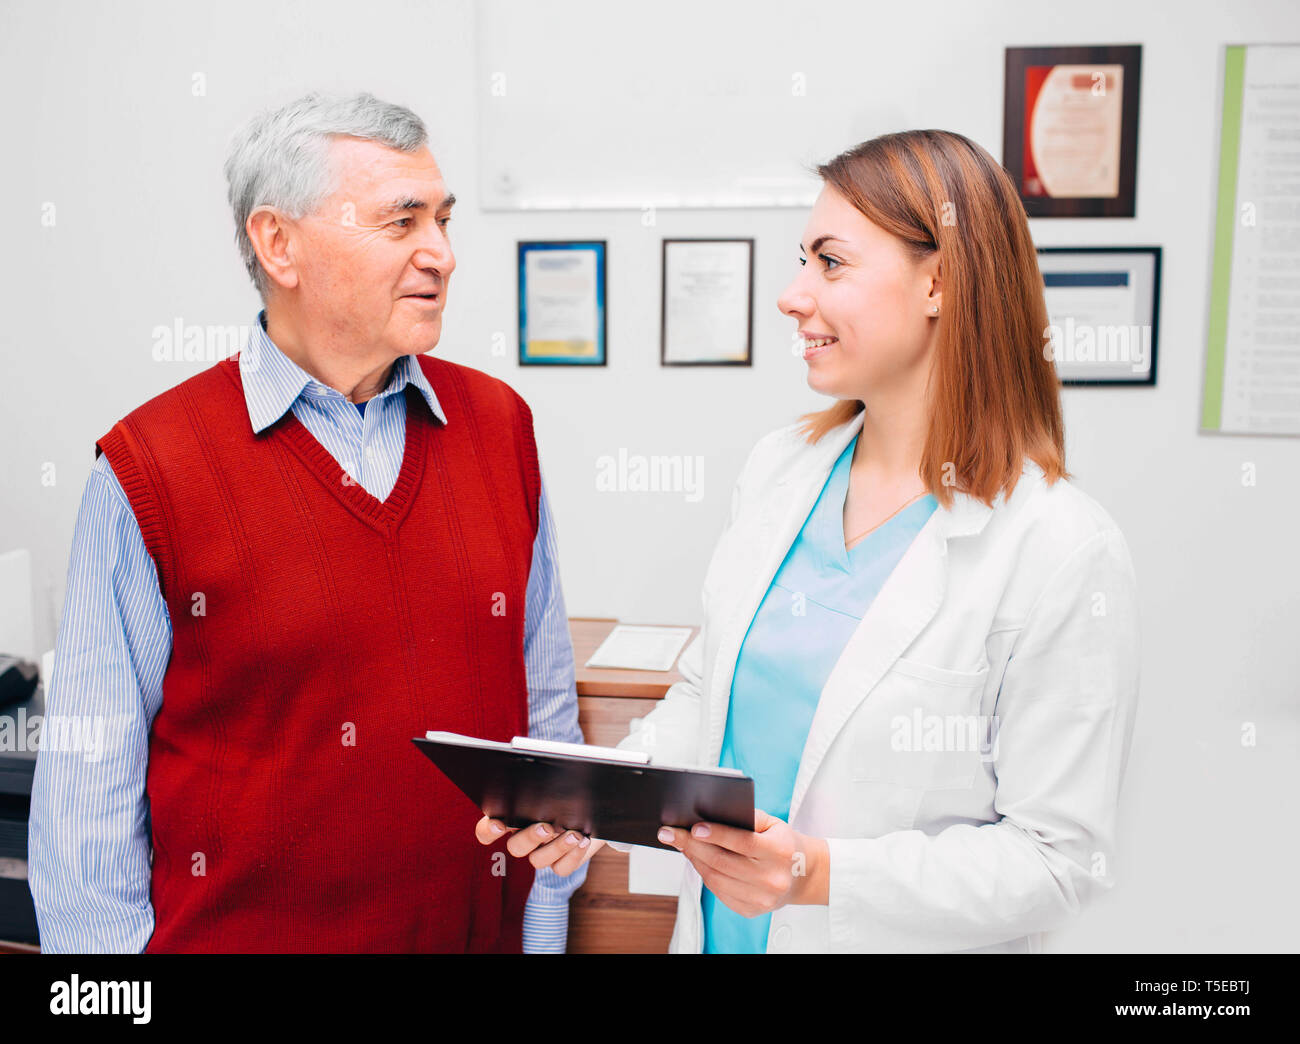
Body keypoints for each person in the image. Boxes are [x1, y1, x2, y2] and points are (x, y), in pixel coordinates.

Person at [478, 129, 1141, 954]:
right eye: (803, 261)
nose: (793, 295)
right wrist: (591, 806)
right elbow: (704, 698)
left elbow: (1058, 862)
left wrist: (816, 874)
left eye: (830, 262)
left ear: (938, 280)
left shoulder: (1060, 549)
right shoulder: (781, 471)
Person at [28, 91, 587, 953]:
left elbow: (544, 723)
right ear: (278, 243)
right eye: (401, 222)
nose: (440, 252)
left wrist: (540, 937)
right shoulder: (150, 467)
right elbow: (85, 810)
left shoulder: (502, 428)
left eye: (442, 219)